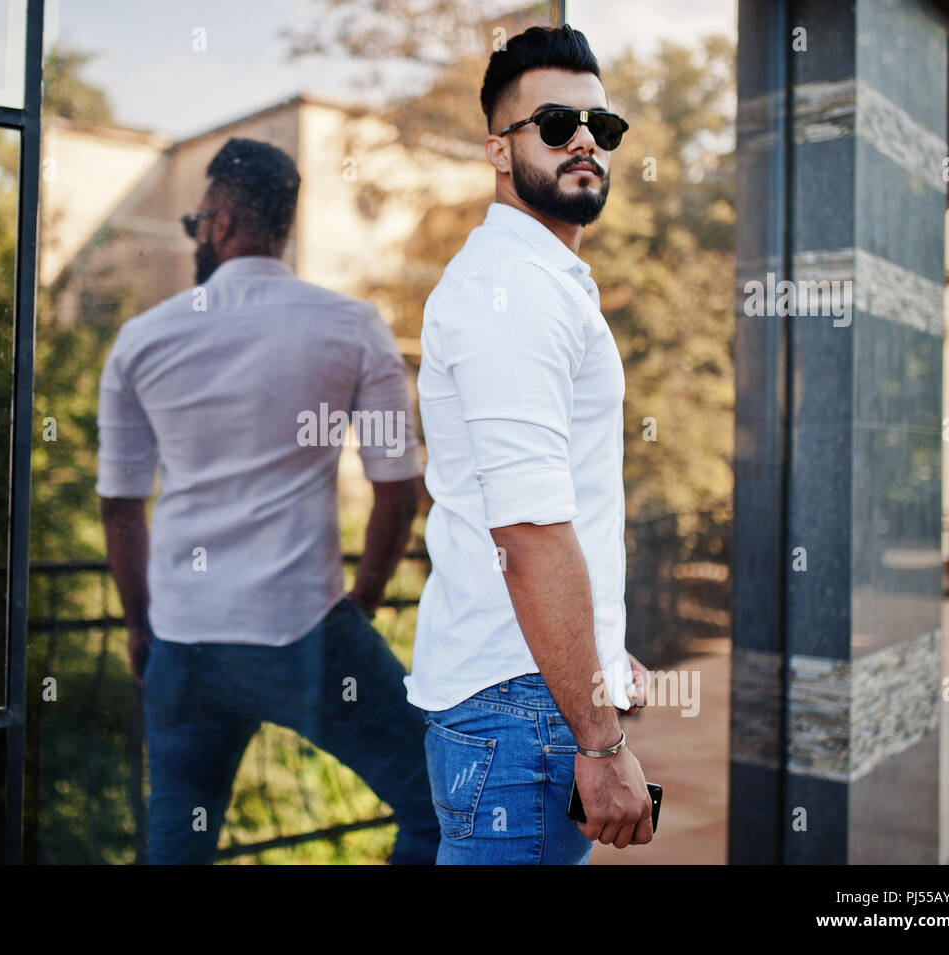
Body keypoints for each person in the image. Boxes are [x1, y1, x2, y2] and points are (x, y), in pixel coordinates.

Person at [97, 137, 440, 864]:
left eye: (196, 224)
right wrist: (366, 598)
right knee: (443, 800)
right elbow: (398, 490)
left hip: (184, 643)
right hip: (307, 633)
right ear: (280, 226)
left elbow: (121, 505)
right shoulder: (353, 327)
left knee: (176, 847)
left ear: (219, 225)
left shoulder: (140, 340)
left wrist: (139, 625)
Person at [408, 25, 654, 865]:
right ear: (499, 151)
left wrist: (606, 649)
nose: (585, 137)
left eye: (601, 126)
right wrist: (603, 741)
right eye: (554, 124)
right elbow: (527, 529)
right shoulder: (511, 289)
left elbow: (560, 503)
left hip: (529, 698)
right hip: (525, 715)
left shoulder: (544, 284)